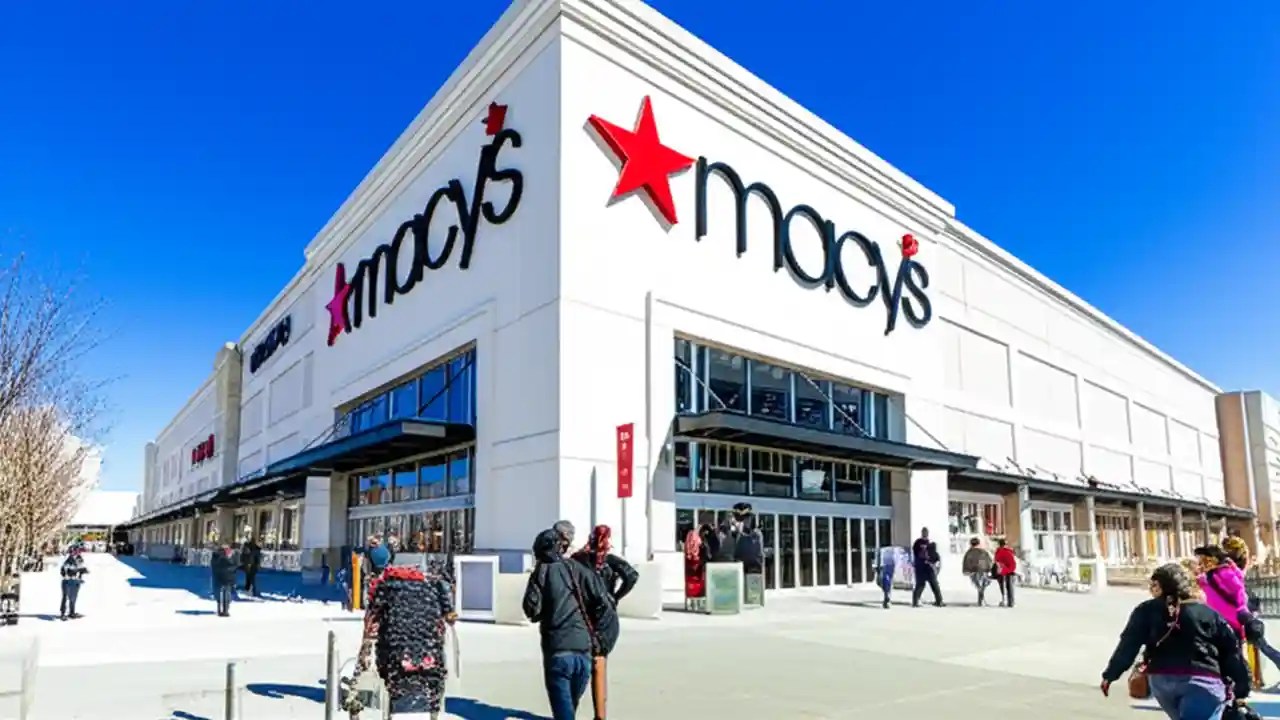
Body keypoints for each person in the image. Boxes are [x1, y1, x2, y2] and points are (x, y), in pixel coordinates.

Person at [1100, 562, 1250, 719]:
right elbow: (1231, 651)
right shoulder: (1207, 614)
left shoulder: (1145, 610)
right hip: (1202, 679)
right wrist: (1241, 688)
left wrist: (1110, 675)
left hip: (1161, 680)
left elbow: (1128, 644)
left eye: (1154, 585)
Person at [523, 525, 619, 720]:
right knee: (569, 709)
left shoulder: (542, 572)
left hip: (557, 651)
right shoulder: (578, 568)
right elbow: (602, 601)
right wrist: (600, 638)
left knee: (564, 714)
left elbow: (532, 611)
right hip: (583, 650)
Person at [352, 561, 457, 719]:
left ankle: (391, 705)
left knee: (391, 674)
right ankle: (434, 711)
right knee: (434, 677)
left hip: (396, 650)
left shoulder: (385, 587)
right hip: (430, 652)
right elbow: (449, 617)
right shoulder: (434, 586)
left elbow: (372, 619)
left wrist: (364, 653)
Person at [572, 525, 639, 605]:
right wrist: (616, 597)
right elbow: (632, 576)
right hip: (604, 605)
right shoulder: (610, 559)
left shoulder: (578, 557)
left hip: (582, 605)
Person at [1196, 545, 1249, 640]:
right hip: (1218, 621)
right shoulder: (1210, 576)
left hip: (1230, 621)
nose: (1200, 565)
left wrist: (1240, 611)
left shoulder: (1224, 573)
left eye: (1203, 561)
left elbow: (1238, 593)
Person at [911, 528, 943, 607]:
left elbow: (934, 555)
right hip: (921, 566)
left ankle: (939, 601)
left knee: (934, 584)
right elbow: (915, 553)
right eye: (924, 532)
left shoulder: (931, 543)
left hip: (928, 566)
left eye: (925, 532)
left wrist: (935, 563)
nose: (925, 534)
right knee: (920, 584)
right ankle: (915, 601)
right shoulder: (918, 542)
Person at [961, 538, 994, 606]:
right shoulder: (983, 552)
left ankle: (981, 600)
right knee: (982, 586)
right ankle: (981, 600)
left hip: (973, 572)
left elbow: (966, 562)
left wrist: (967, 570)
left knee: (979, 586)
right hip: (983, 571)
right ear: (979, 543)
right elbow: (988, 561)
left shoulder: (969, 552)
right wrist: (989, 569)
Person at [59, 549, 88, 620]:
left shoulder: (79, 558)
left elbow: (81, 568)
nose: (76, 553)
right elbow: (64, 571)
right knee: (65, 597)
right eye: (74, 552)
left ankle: (72, 612)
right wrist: (71, 571)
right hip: (67, 581)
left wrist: (82, 571)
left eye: (78, 552)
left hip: (75, 581)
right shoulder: (68, 560)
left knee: (73, 598)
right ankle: (63, 613)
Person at [211, 544, 237, 617]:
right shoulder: (231, 555)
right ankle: (225, 610)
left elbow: (214, 566)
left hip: (219, 576)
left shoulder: (216, 555)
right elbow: (235, 565)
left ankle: (221, 610)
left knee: (220, 593)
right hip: (228, 577)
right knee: (226, 593)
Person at [683, 528, 708, 603]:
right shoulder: (698, 539)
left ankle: (691, 600)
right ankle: (698, 600)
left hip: (690, 562)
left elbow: (688, 549)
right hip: (697, 562)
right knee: (698, 582)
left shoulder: (689, 539)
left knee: (690, 582)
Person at [993, 538, 1018, 608]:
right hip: (1011, 570)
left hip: (1002, 570)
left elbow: (996, 560)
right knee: (1010, 587)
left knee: (1002, 586)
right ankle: (1011, 602)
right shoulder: (1010, 551)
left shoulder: (998, 551)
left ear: (999, 544)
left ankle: (1004, 600)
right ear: (1006, 544)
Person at [874, 544, 899, 609]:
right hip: (884, 568)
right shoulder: (881, 551)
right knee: (883, 583)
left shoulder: (891, 551)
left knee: (886, 583)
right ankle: (887, 596)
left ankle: (887, 598)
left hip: (887, 568)